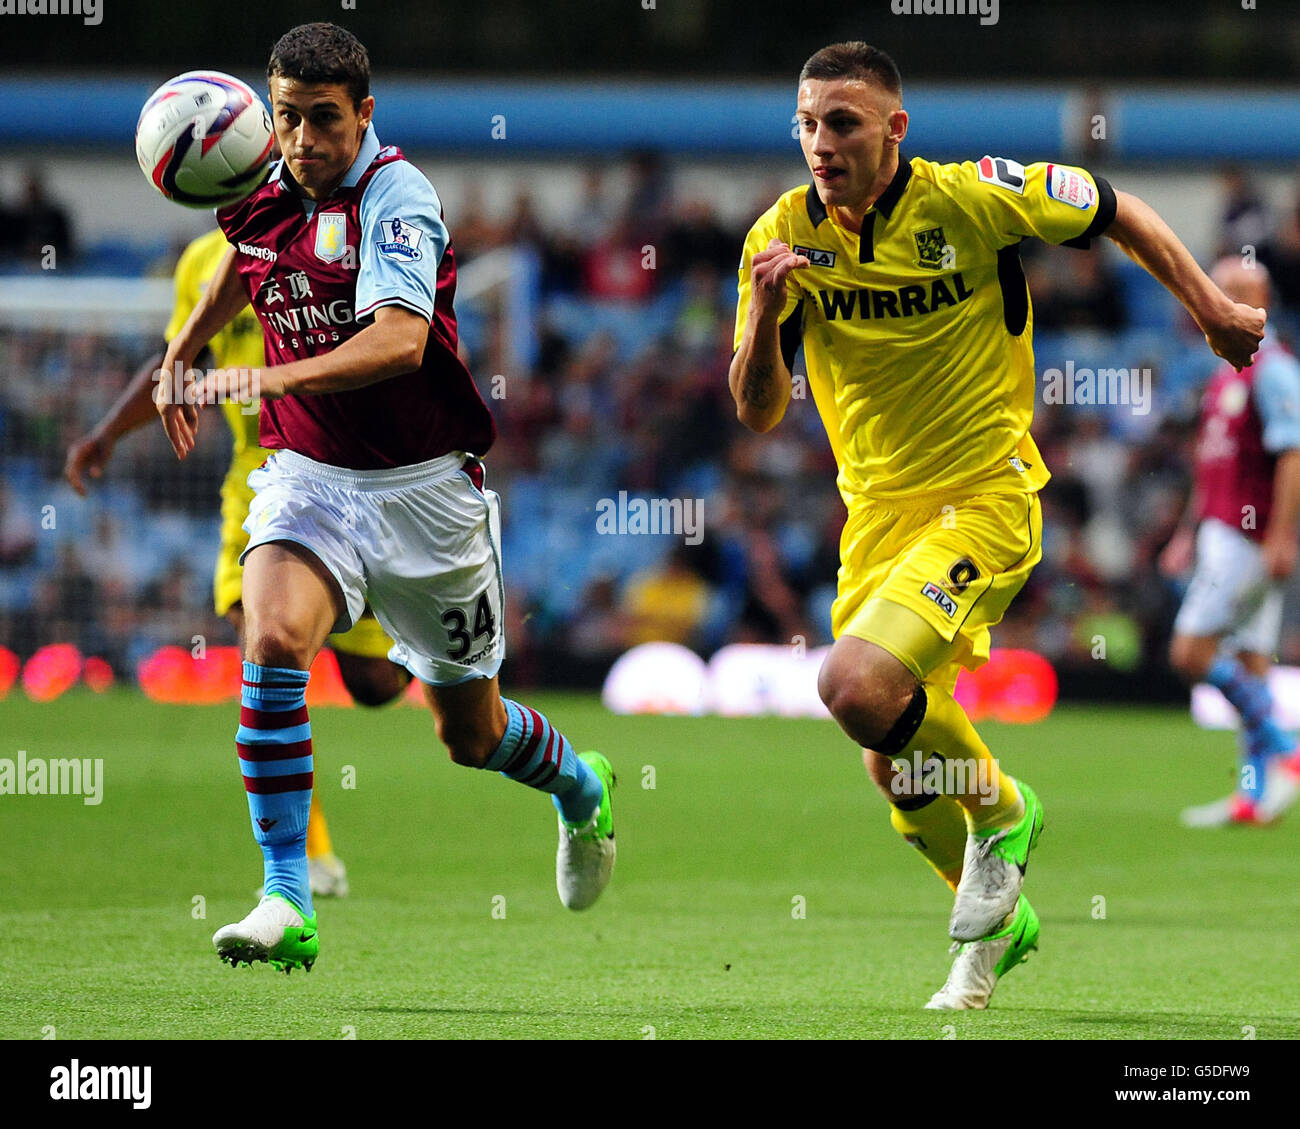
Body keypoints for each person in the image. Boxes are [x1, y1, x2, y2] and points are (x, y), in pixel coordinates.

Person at [730, 42, 1264, 1010]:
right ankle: (992, 933)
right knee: (888, 757)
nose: (820, 142)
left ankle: (1005, 811)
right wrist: (767, 311)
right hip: (877, 521)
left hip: (984, 495)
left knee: (852, 680)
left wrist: (1212, 308)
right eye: (807, 123)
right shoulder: (779, 235)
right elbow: (758, 409)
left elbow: (1113, 208)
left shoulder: (971, 197)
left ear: (895, 129)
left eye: (841, 122)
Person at [155, 22, 615, 973]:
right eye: (288, 118)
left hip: (426, 498)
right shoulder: (264, 183)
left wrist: (272, 381)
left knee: (470, 734)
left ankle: (581, 786)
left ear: (364, 114)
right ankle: (287, 891)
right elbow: (247, 267)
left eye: (324, 120)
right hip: (309, 480)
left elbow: (398, 344)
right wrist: (182, 349)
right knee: (274, 640)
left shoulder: (398, 197)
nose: (303, 140)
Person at [65, 224, 419, 899]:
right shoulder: (201, 260)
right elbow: (179, 360)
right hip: (257, 484)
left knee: (376, 684)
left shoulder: (336, 237)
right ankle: (305, 858)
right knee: (265, 655)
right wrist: (108, 429)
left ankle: (424, 644)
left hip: (349, 475)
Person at [1161, 258, 1300, 827]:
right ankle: (1254, 795)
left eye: (1241, 292)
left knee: (1189, 654)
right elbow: (1211, 464)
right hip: (1220, 530)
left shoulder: (1273, 369)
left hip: (1247, 537)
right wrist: (1185, 533)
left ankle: (1285, 748)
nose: (1225, 301)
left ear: (1262, 301)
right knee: (1249, 663)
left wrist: (1281, 538)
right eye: (1222, 291)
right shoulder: (1225, 370)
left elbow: (1292, 453)